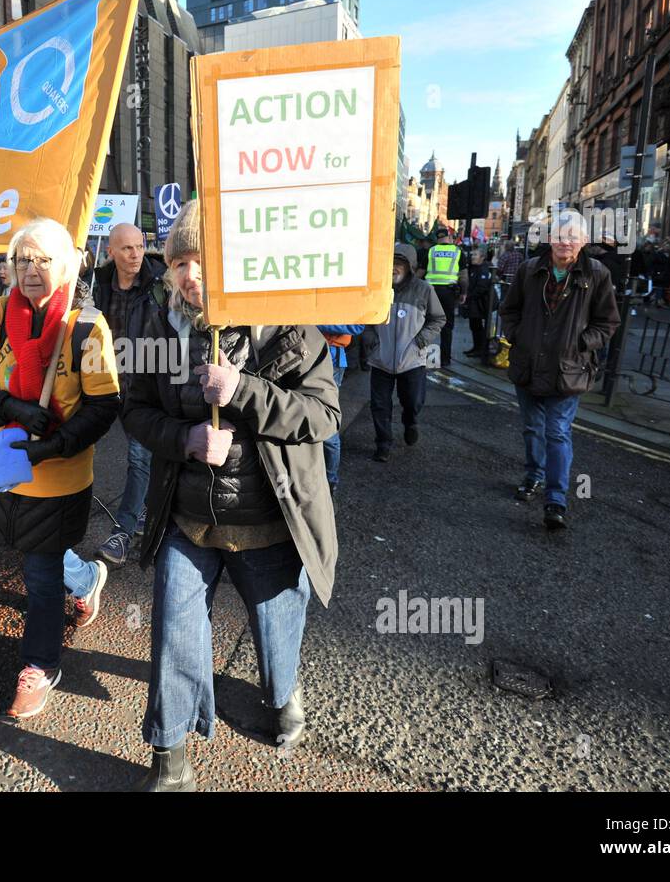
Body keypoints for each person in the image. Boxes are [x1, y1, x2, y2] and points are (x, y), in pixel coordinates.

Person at [122, 199, 340, 791]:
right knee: (172, 631)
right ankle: (168, 754)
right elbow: (135, 412)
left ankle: (281, 689)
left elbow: (322, 415)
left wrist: (243, 389)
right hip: (188, 519)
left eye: (201, 259)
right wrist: (185, 438)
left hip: (268, 521)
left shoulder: (286, 321)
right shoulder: (156, 325)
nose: (189, 275)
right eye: (178, 263)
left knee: (276, 631)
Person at [0, 218, 121, 719]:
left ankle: (40, 666)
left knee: (39, 573)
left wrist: (51, 444)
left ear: (67, 266)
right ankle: (88, 578)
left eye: (44, 259)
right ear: (10, 267)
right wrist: (14, 409)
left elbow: (104, 407)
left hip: (60, 474)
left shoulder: (87, 326)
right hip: (7, 465)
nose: (32, 269)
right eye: (23, 259)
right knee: (34, 554)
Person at [500, 212, 620, 530]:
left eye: (572, 237)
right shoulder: (530, 270)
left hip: (569, 368)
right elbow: (509, 309)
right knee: (531, 428)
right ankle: (533, 475)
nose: (565, 242)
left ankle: (556, 499)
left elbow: (608, 322)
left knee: (556, 432)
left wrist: (582, 343)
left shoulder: (597, 274)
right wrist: (517, 335)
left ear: (583, 242)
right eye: (560, 235)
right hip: (528, 363)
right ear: (550, 238)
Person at [90, 222, 167, 566]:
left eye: (139, 246)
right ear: (111, 252)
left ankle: (121, 532)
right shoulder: (97, 284)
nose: (136, 254)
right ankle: (144, 511)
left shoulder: (158, 284)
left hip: (143, 385)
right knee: (79, 445)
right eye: (127, 248)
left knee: (139, 458)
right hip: (104, 383)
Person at [364, 244, 446, 462]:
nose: (394, 269)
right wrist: (373, 342)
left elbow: (438, 318)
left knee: (412, 401)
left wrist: (420, 341)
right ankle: (383, 444)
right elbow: (365, 318)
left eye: (399, 264)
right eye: (391, 264)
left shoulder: (424, 289)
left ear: (409, 267)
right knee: (379, 404)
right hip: (381, 360)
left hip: (412, 361)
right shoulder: (377, 288)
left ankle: (410, 421)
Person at [315, 323, 363, 492]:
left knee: (327, 423)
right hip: (305, 353)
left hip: (331, 360)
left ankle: (330, 481)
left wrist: (317, 323)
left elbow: (357, 326)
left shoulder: (345, 297)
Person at [425, 231, 468, 367]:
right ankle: (445, 360)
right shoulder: (457, 251)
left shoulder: (431, 251)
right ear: (449, 238)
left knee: (430, 324)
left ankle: (431, 360)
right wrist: (464, 293)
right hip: (449, 292)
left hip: (430, 291)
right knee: (447, 326)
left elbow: (420, 271)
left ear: (438, 239)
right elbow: (463, 276)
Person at [464, 246, 495, 360]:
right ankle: (475, 347)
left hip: (481, 303)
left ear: (482, 257)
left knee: (478, 327)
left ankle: (480, 349)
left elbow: (482, 287)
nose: (472, 257)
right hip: (474, 302)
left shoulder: (483, 269)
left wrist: (470, 296)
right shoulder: (474, 268)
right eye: (472, 255)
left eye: (475, 255)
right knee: (474, 325)